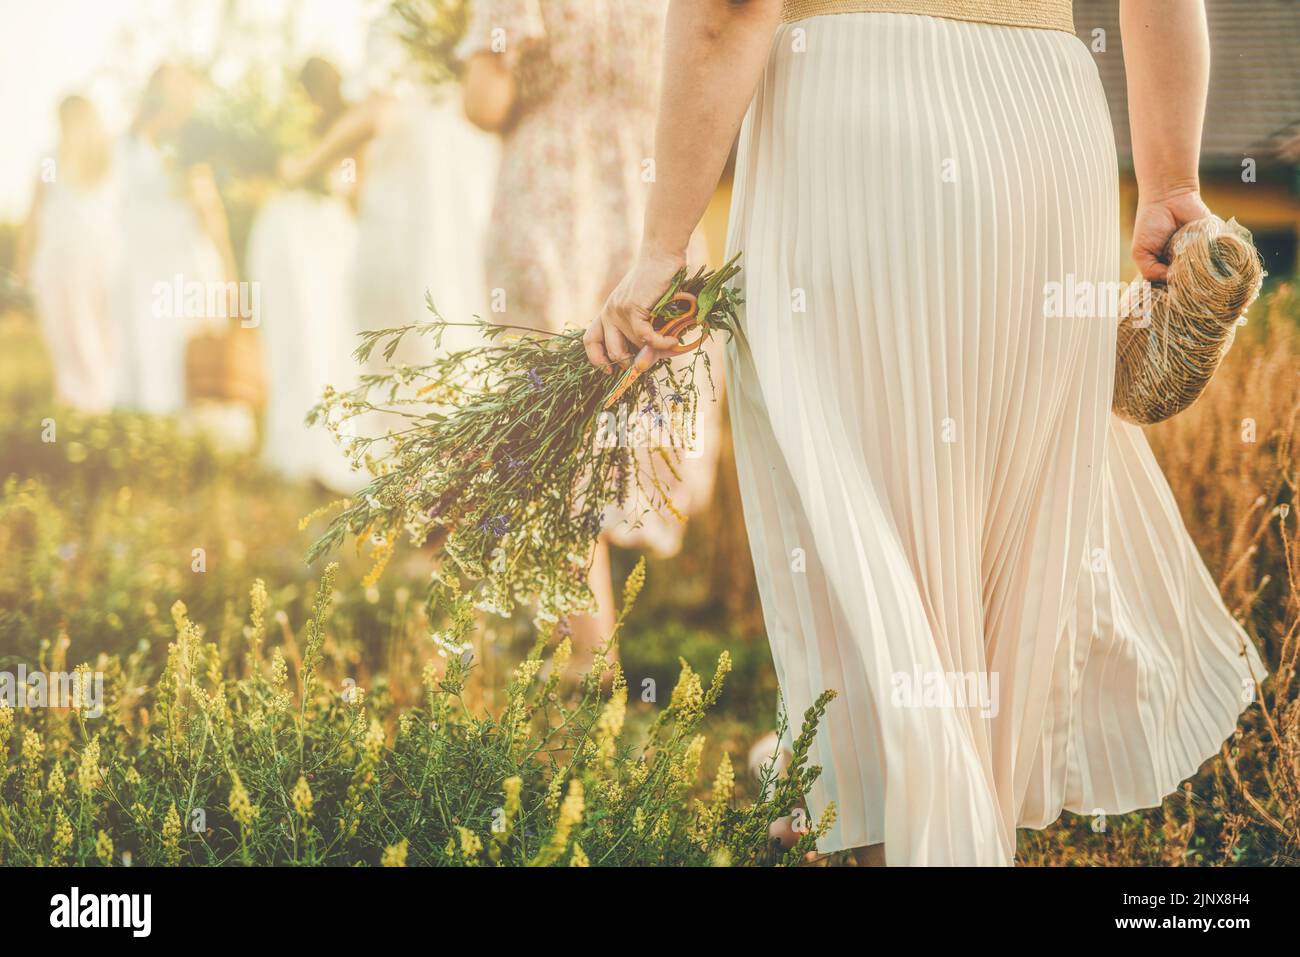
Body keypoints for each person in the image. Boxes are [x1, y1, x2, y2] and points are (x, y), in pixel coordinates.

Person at [587, 0, 1265, 865]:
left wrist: (662, 242)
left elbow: (732, 8)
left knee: (852, 513)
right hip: (1048, 136)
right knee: (990, 544)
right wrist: (1171, 183)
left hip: (860, 127)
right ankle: (939, 824)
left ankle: (889, 823)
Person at [460, 0, 722, 670]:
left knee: (553, 412)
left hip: (555, 192)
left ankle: (586, 647)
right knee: (640, 389)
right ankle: (654, 618)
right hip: (658, 190)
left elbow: (485, 102)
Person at [248, 57, 358, 491]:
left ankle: (328, 449)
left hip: (328, 236)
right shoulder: (287, 126)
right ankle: (297, 449)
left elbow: (351, 184)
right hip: (298, 233)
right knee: (298, 340)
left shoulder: (348, 126)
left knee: (328, 337)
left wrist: (309, 172)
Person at [114, 63, 237, 415]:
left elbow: (208, 210)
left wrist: (228, 273)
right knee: (152, 352)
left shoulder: (174, 145)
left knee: (182, 355)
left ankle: (184, 441)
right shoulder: (129, 145)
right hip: (145, 269)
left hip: (183, 268)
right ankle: (162, 436)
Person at [15, 95, 118, 413]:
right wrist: (23, 264)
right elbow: (35, 211)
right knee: (62, 333)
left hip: (90, 258)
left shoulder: (105, 158)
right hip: (57, 261)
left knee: (89, 331)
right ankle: (75, 404)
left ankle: (97, 404)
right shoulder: (51, 160)